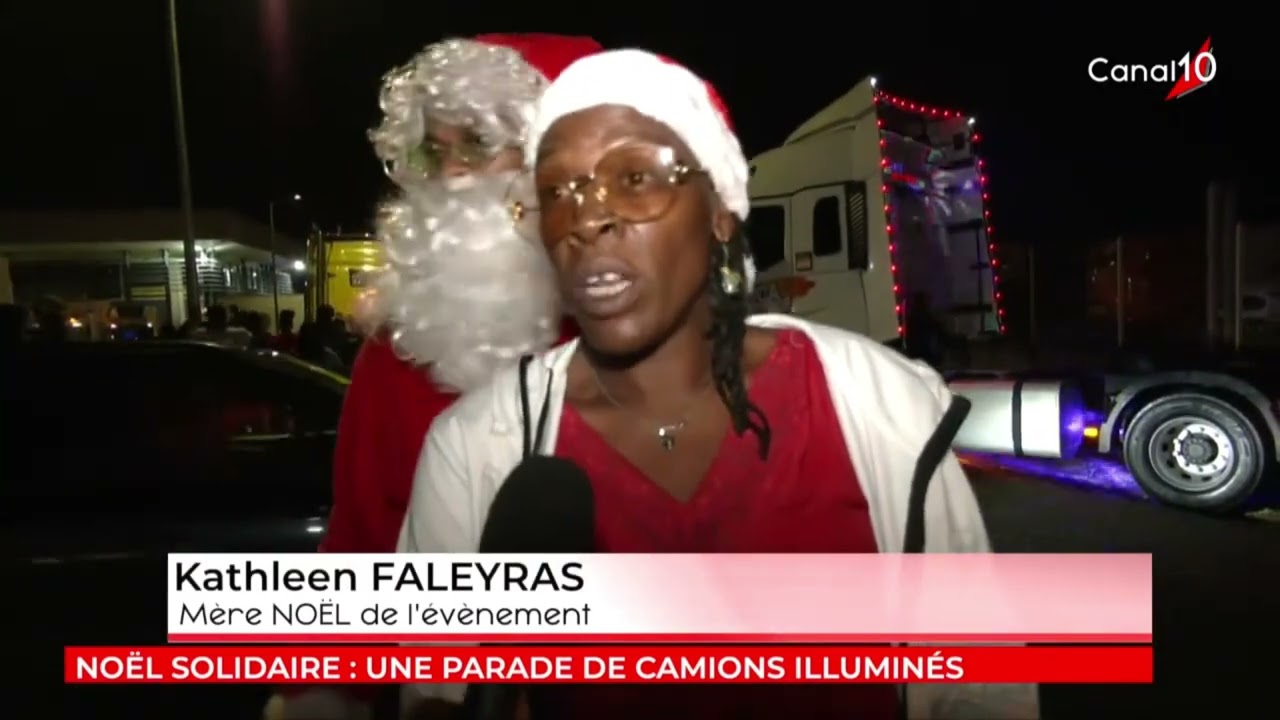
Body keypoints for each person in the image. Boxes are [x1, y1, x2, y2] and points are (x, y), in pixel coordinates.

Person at [399, 50, 1040, 719]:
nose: (586, 219)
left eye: (635, 177)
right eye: (558, 191)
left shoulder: (880, 408)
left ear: (720, 212)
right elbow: (433, 689)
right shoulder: (475, 452)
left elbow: (979, 689)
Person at [265, 33, 602, 720]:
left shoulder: (645, 339)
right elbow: (358, 550)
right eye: (430, 150)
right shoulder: (395, 358)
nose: (450, 173)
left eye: (477, 143)